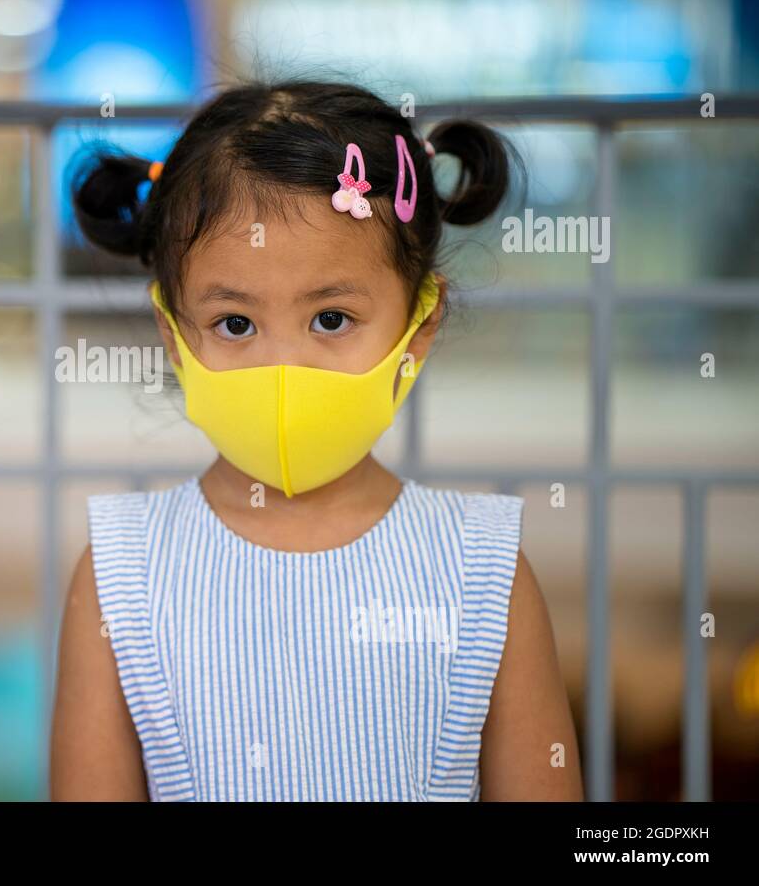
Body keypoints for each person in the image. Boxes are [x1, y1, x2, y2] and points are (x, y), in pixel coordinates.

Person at [49, 80, 583, 801]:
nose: (284, 369)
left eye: (331, 319)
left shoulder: (485, 574)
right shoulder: (120, 578)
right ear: (173, 336)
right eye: (235, 324)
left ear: (418, 327)